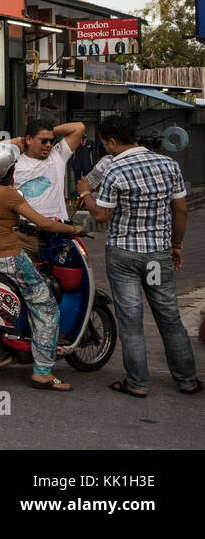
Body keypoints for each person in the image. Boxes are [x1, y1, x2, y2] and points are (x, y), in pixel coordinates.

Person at [78, 115, 202, 397]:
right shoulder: (169, 164)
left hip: (124, 255)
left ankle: (137, 383)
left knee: (131, 320)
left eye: (104, 143)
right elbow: (180, 210)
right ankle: (188, 379)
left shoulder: (115, 170)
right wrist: (177, 244)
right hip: (157, 256)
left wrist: (85, 192)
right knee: (169, 316)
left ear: (111, 142)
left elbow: (100, 215)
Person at [0, 141, 87, 391]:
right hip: (9, 259)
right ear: (8, 170)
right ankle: (43, 372)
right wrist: (73, 228)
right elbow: (44, 223)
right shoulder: (7, 193)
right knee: (47, 307)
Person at [10, 119, 86, 257]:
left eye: (52, 141)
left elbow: (79, 127)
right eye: (43, 141)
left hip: (58, 236)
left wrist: (49, 131)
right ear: (28, 139)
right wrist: (12, 142)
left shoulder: (57, 155)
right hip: (25, 237)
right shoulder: (14, 164)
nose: (49, 145)